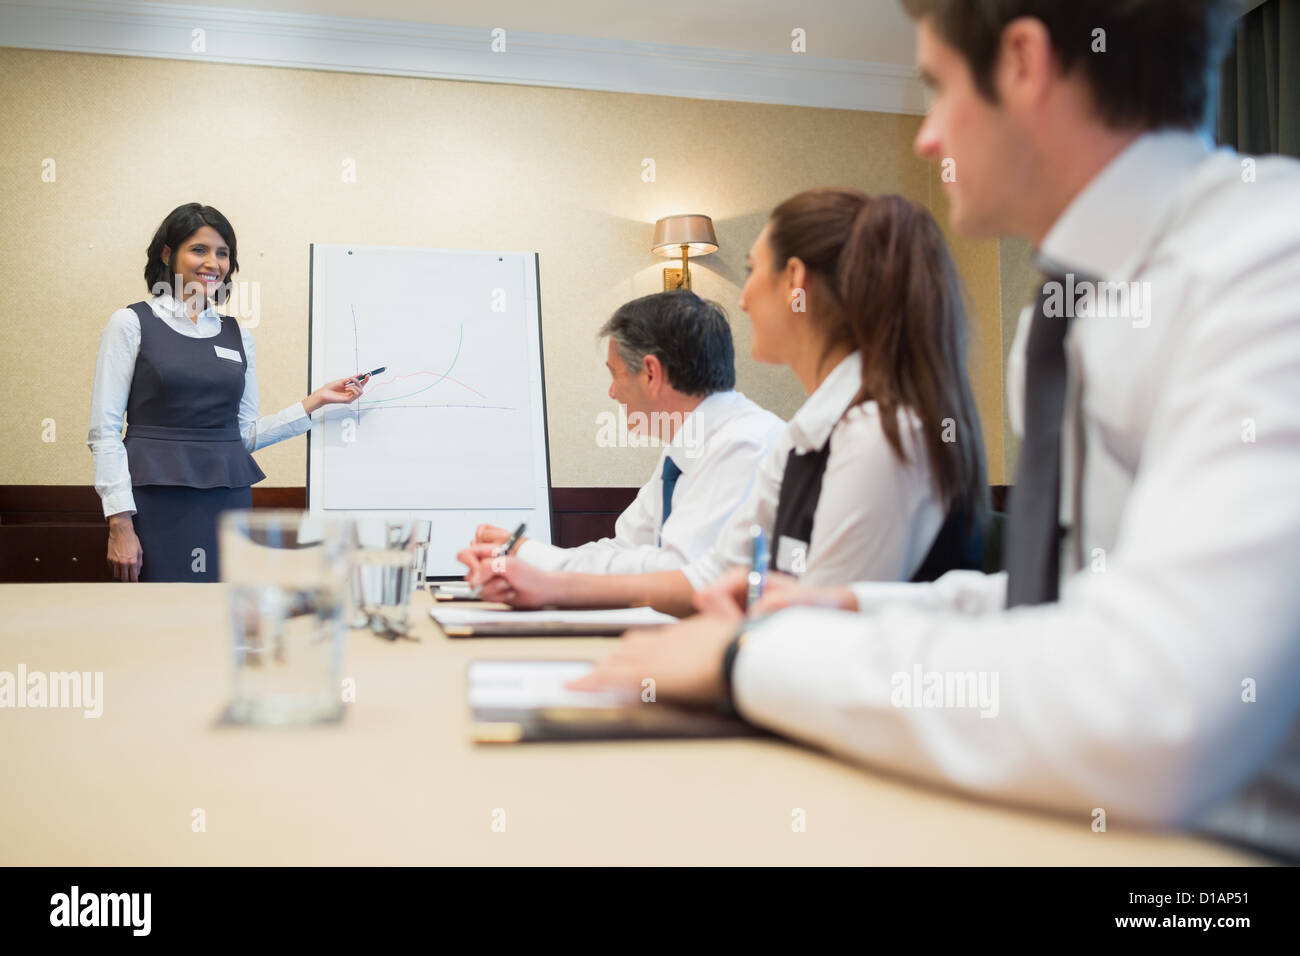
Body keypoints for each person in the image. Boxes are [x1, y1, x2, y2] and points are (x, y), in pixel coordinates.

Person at [571, 0, 1300, 859]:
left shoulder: (1266, 272)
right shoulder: (1074, 310)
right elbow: (1063, 602)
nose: (925, 138)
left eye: (940, 88)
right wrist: (843, 604)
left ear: (1024, 64)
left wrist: (749, 661)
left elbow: (1156, 711)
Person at [460, 189, 989, 615]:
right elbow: (712, 577)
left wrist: (550, 579)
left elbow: (820, 630)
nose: (741, 298)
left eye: (753, 269)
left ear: (796, 282)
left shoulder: (875, 435)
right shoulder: (806, 436)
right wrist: (547, 585)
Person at [88, 203, 368, 582]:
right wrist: (119, 523)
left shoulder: (239, 335)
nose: (213, 263)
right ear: (168, 254)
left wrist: (314, 402)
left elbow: (242, 436)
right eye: (199, 250)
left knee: (223, 618)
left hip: (227, 501)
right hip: (154, 500)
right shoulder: (131, 323)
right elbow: (104, 433)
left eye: (223, 253)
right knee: (159, 618)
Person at [470, 291, 783, 574]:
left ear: (650, 373)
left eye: (614, 374)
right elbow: (624, 550)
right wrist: (527, 559)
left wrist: (531, 555)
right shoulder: (682, 452)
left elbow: (678, 572)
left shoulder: (745, 444)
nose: (612, 392)